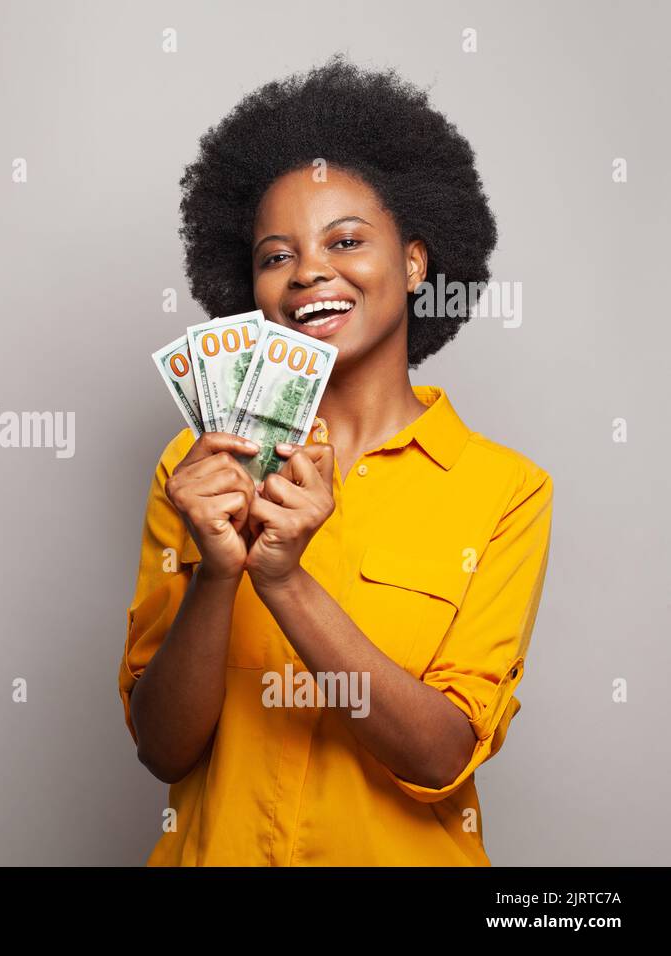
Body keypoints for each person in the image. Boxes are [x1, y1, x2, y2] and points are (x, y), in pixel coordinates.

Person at [118, 54, 553, 865]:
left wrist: (282, 580)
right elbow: (163, 749)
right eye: (275, 255)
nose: (310, 270)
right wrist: (219, 574)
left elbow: (441, 753)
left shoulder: (505, 491)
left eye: (345, 240)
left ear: (417, 262)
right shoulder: (199, 465)